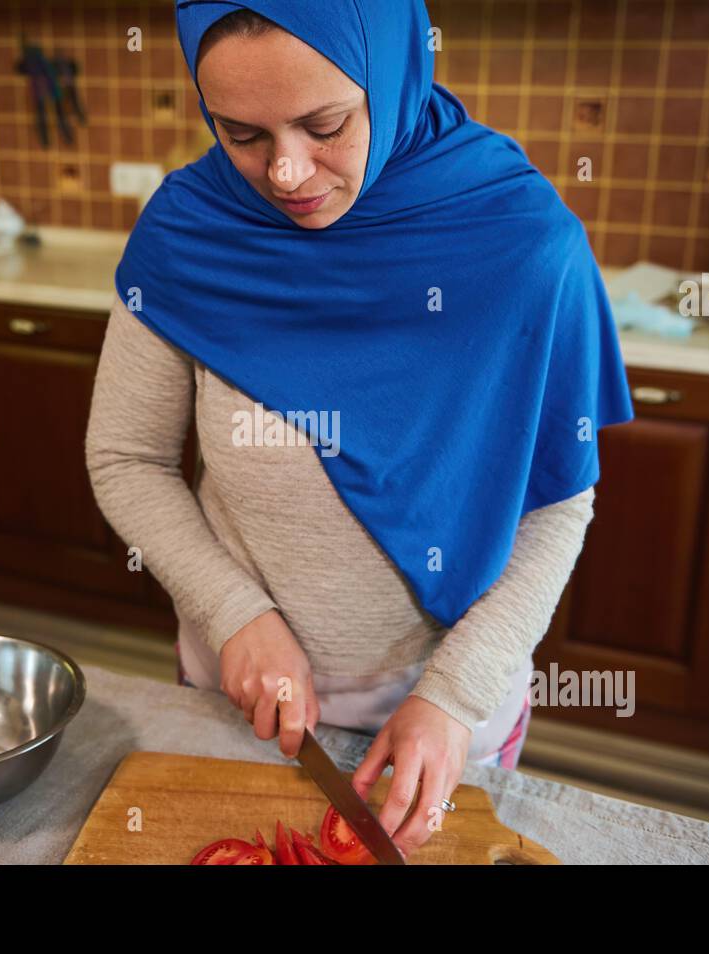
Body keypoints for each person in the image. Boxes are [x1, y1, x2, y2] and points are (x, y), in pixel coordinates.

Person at [86, 0, 633, 860]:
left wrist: (453, 697)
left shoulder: (524, 242)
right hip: (238, 691)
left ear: (393, 72)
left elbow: (556, 505)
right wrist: (234, 617)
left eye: (325, 124)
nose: (288, 174)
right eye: (242, 135)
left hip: (447, 707)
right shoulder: (188, 230)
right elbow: (128, 458)